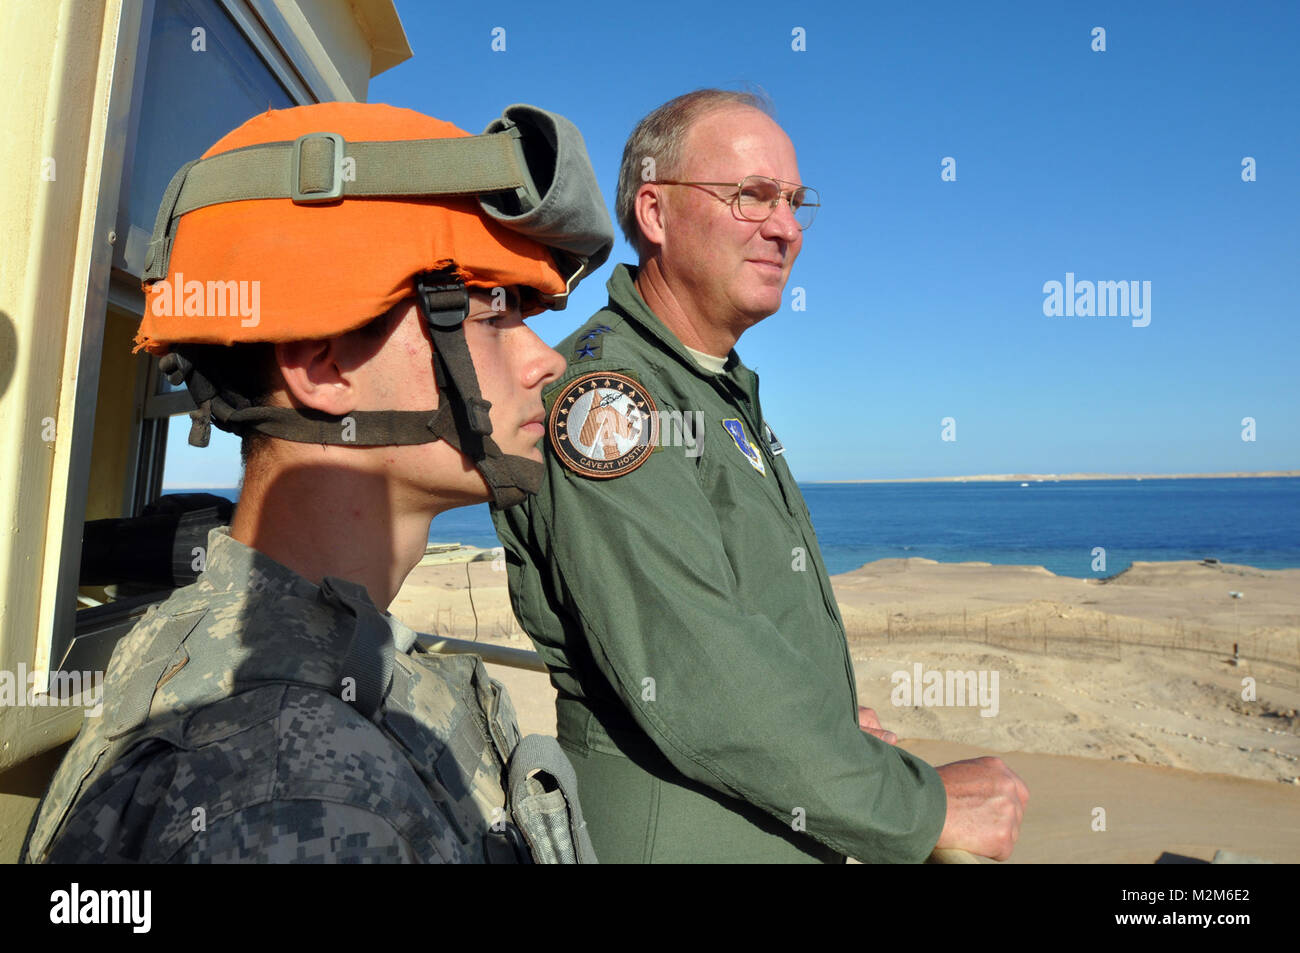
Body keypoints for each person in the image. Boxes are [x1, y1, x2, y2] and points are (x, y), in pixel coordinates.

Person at [23, 101, 614, 863]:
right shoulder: (296, 797)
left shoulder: (294, 655)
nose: (547, 359)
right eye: (492, 310)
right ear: (322, 363)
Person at [492, 89, 1029, 863]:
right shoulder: (610, 397)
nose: (784, 227)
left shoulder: (708, 385)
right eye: (750, 196)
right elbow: (697, 667)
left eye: (793, 201)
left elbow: (747, 624)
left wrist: (832, 731)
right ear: (655, 212)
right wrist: (922, 806)